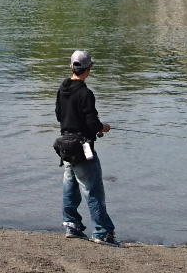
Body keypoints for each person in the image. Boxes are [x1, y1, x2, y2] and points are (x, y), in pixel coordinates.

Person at [55, 49, 120, 246]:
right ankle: (102, 233)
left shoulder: (62, 89)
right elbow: (92, 124)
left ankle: (72, 226)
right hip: (83, 147)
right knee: (93, 190)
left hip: (65, 146)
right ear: (89, 69)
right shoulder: (86, 93)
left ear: (71, 67)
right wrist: (103, 128)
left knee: (70, 187)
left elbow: (60, 115)